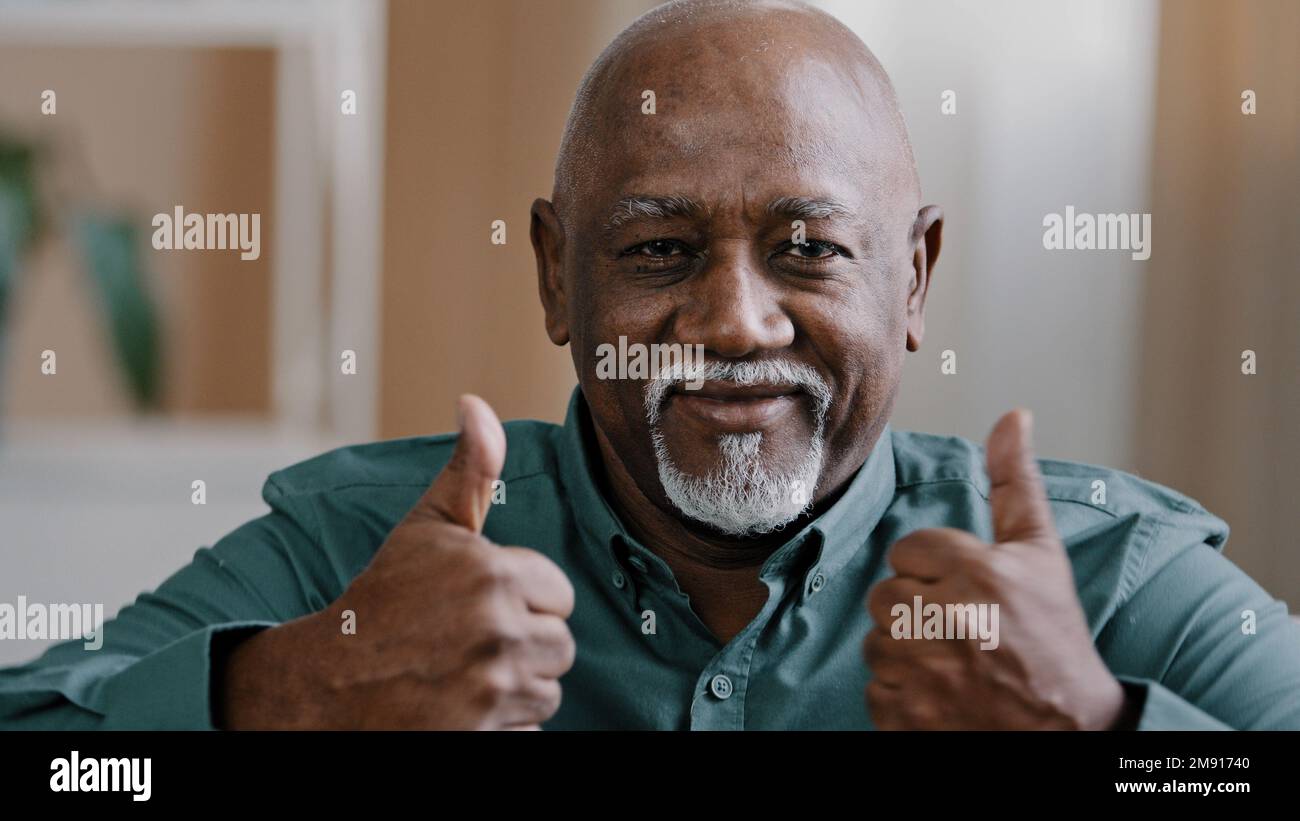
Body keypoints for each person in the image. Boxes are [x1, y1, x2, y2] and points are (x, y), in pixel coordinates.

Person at [3, 0, 1298, 730]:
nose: (735, 319)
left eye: (808, 248)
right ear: (556, 273)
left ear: (912, 277)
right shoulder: (362, 552)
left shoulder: (1095, 576)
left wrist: (1112, 734)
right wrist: (274, 695)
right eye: (661, 249)